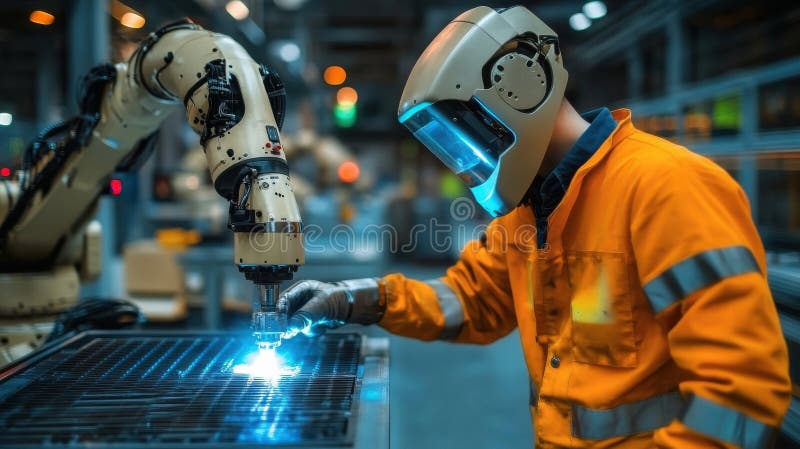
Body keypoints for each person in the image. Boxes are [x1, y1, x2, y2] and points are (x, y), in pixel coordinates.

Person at [280, 5, 791, 448]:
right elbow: (472, 301)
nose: (461, 165)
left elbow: (742, 387)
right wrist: (356, 298)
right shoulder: (530, 211)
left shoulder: (667, 187)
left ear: (517, 87)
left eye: (462, 137)